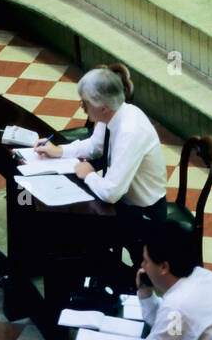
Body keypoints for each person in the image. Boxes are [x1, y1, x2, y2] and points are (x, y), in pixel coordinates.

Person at [35, 64, 166, 238]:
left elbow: (111, 193)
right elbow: (94, 147)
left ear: (103, 108)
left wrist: (89, 174)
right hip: (125, 201)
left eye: (86, 102)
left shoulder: (130, 131)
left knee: (79, 231)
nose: (82, 107)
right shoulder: (113, 114)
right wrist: (58, 151)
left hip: (144, 213)